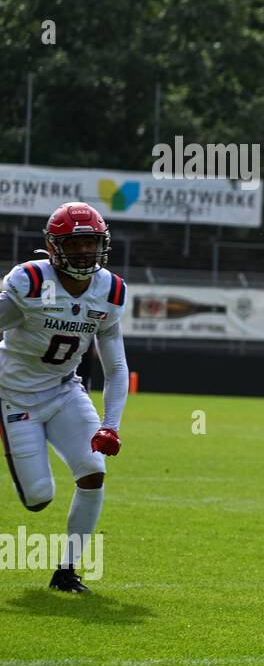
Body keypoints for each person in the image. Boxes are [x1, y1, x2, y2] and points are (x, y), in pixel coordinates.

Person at [0, 202, 128, 593]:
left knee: (94, 472)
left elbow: (117, 366)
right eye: (76, 244)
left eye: (92, 243)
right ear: (54, 247)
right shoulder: (31, 283)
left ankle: (66, 571)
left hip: (63, 390)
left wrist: (111, 425)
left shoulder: (110, 290)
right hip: (15, 397)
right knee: (39, 497)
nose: (86, 252)